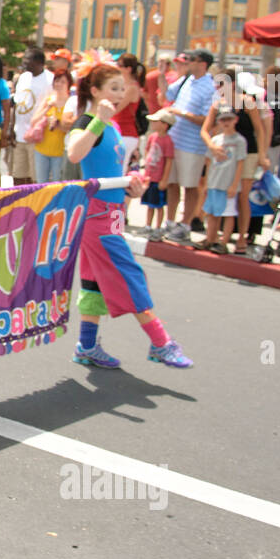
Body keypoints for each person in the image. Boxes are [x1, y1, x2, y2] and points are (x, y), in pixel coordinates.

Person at [66, 62, 193, 369]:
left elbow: (109, 172)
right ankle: (161, 343)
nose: (120, 94)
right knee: (129, 275)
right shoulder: (89, 121)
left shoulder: (112, 125)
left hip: (113, 212)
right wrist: (98, 120)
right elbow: (74, 154)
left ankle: (86, 346)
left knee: (93, 281)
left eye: (122, 89)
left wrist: (129, 187)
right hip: (96, 216)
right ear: (95, 91)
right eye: (113, 88)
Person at [203, 69, 269, 254]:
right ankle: (214, 237)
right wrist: (212, 147)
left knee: (242, 195)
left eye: (221, 84)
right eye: (217, 85)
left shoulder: (247, 102)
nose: (218, 88)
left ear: (232, 83)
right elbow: (205, 130)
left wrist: (262, 155)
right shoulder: (218, 105)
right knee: (222, 193)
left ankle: (241, 238)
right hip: (225, 153)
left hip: (248, 152)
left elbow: (259, 130)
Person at [162, 50, 217, 243]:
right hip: (175, 139)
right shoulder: (186, 80)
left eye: (191, 60)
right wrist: (163, 72)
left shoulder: (210, 87)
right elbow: (167, 92)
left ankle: (185, 224)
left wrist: (181, 113)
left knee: (191, 185)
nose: (187, 63)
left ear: (202, 64)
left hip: (193, 145)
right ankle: (170, 221)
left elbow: (207, 120)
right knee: (172, 182)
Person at [200, 108, 247, 253]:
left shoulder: (239, 141)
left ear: (235, 120)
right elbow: (209, 162)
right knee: (212, 213)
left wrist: (234, 185)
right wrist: (207, 183)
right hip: (214, 181)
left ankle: (223, 242)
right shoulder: (215, 140)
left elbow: (240, 163)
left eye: (229, 119)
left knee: (227, 213)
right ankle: (210, 239)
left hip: (228, 184)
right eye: (223, 119)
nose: (226, 123)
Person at [12, 47, 53, 185]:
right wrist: (12, 129)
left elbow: (51, 107)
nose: (24, 62)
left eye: (27, 59)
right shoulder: (23, 77)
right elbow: (17, 104)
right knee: (18, 175)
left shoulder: (50, 80)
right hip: (20, 135)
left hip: (37, 137)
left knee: (35, 178)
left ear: (39, 62)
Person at [29, 67, 74, 185]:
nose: (58, 84)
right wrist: (48, 108)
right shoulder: (48, 99)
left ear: (69, 84)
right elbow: (33, 121)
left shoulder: (71, 103)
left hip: (59, 151)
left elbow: (71, 127)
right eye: (57, 81)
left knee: (57, 184)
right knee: (41, 183)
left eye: (63, 81)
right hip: (42, 149)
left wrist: (58, 124)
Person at [140, 109, 175, 240]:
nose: (152, 123)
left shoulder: (168, 141)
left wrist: (164, 179)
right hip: (149, 177)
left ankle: (158, 227)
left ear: (165, 124)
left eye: (156, 121)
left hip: (158, 179)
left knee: (158, 204)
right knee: (149, 203)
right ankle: (148, 225)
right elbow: (147, 151)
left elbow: (169, 161)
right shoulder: (152, 137)